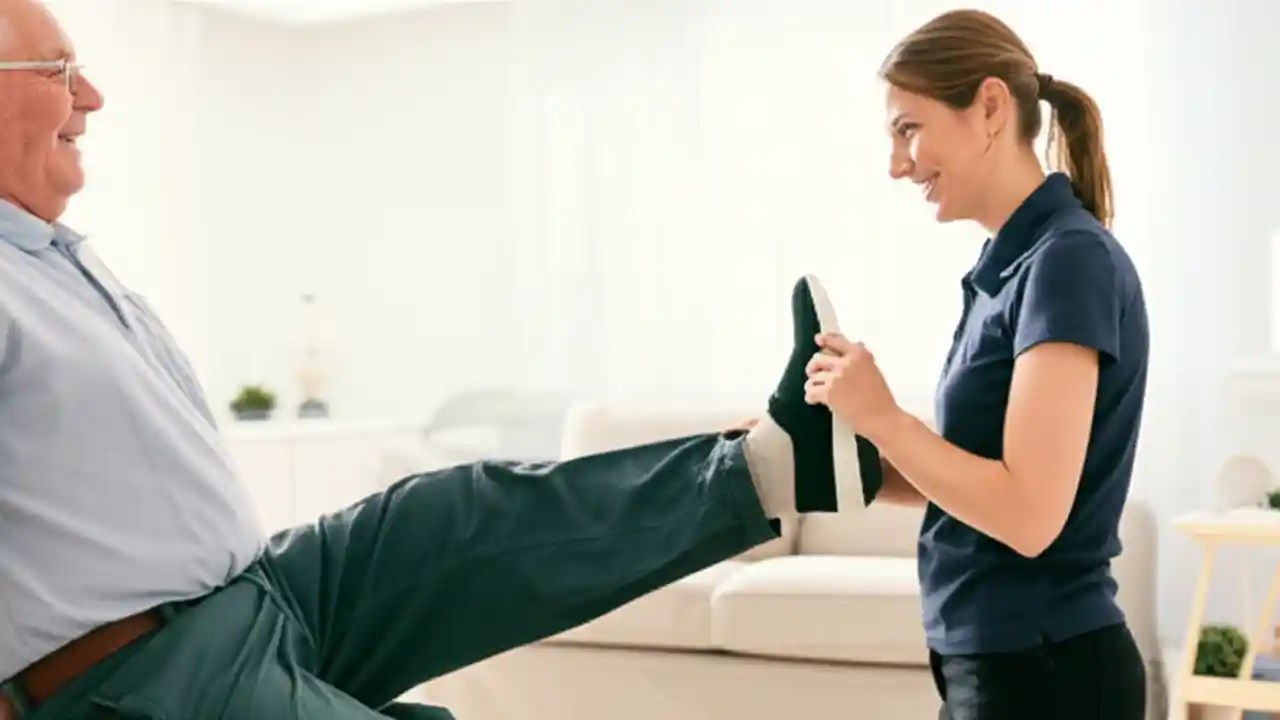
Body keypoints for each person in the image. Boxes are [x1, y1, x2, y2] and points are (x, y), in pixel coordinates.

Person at [0, 2, 886, 718]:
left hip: (264, 591)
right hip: (145, 676)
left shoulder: (53, 256)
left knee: (461, 515)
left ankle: (775, 466)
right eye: (59, 69)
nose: (95, 97)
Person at [802, 9, 1149, 719]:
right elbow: (977, 479)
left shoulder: (1066, 262)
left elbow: (1027, 515)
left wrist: (885, 417)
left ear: (989, 106)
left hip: (1044, 670)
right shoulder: (1014, 267)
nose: (898, 166)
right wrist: (834, 454)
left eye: (909, 129)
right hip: (1004, 663)